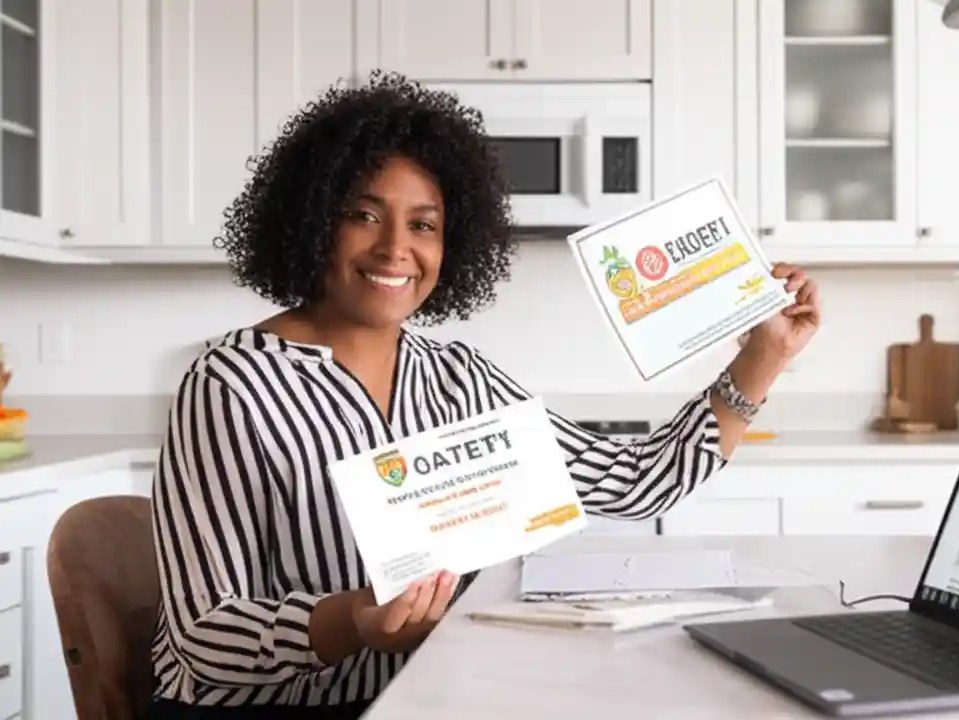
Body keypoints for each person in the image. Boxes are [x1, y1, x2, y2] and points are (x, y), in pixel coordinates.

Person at [143, 70, 821, 719]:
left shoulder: (459, 378)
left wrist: (765, 356)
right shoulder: (230, 383)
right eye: (364, 215)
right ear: (313, 219)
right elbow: (205, 633)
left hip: (415, 697)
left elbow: (636, 482)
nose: (394, 248)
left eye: (423, 224)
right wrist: (355, 619)